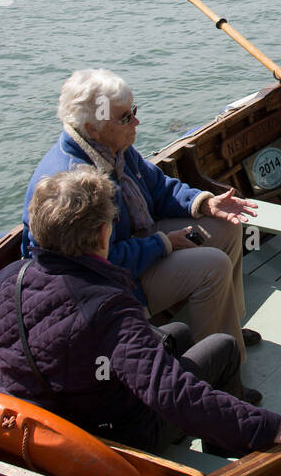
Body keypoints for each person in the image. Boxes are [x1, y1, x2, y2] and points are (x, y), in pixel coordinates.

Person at [0, 169, 281, 459]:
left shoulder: (8, 278)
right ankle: (232, 470)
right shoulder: (107, 306)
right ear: (103, 233)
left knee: (176, 334)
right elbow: (170, 392)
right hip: (106, 438)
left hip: (34, 423)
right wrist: (270, 427)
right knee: (221, 348)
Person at [22, 70, 259, 362]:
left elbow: (159, 188)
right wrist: (162, 244)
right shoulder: (75, 184)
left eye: (133, 111)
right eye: (124, 118)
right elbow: (94, 265)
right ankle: (220, 361)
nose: (136, 121)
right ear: (91, 127)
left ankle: (228, 327)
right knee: (213, 266)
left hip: (136, 245)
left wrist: (203, 203)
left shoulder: (115, 149)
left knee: (226, 227)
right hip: (114, 281)